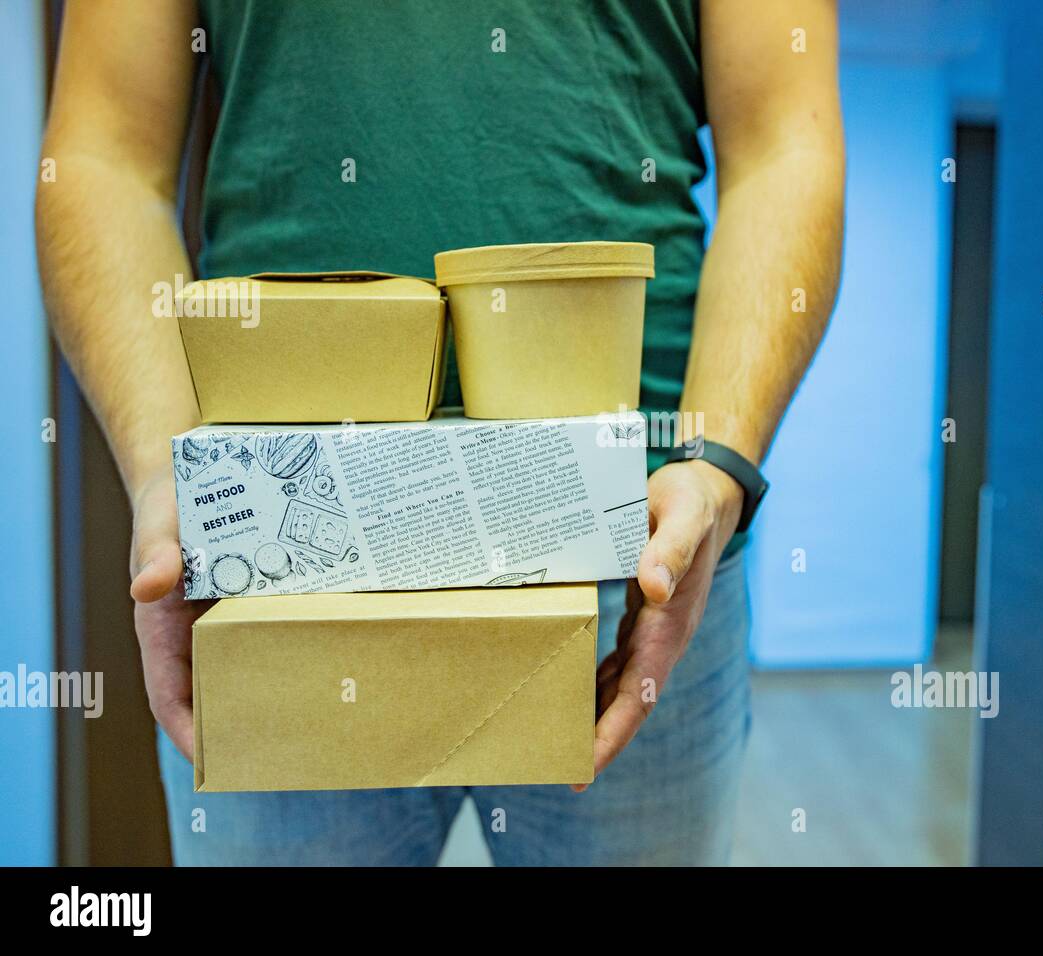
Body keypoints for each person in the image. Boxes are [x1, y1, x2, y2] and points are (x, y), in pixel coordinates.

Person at [37, 0, 844, 865]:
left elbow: (783, 148)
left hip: (644, 552)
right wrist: (177, 480)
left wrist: (717, 464)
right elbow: (103, 159)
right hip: (281, 555)